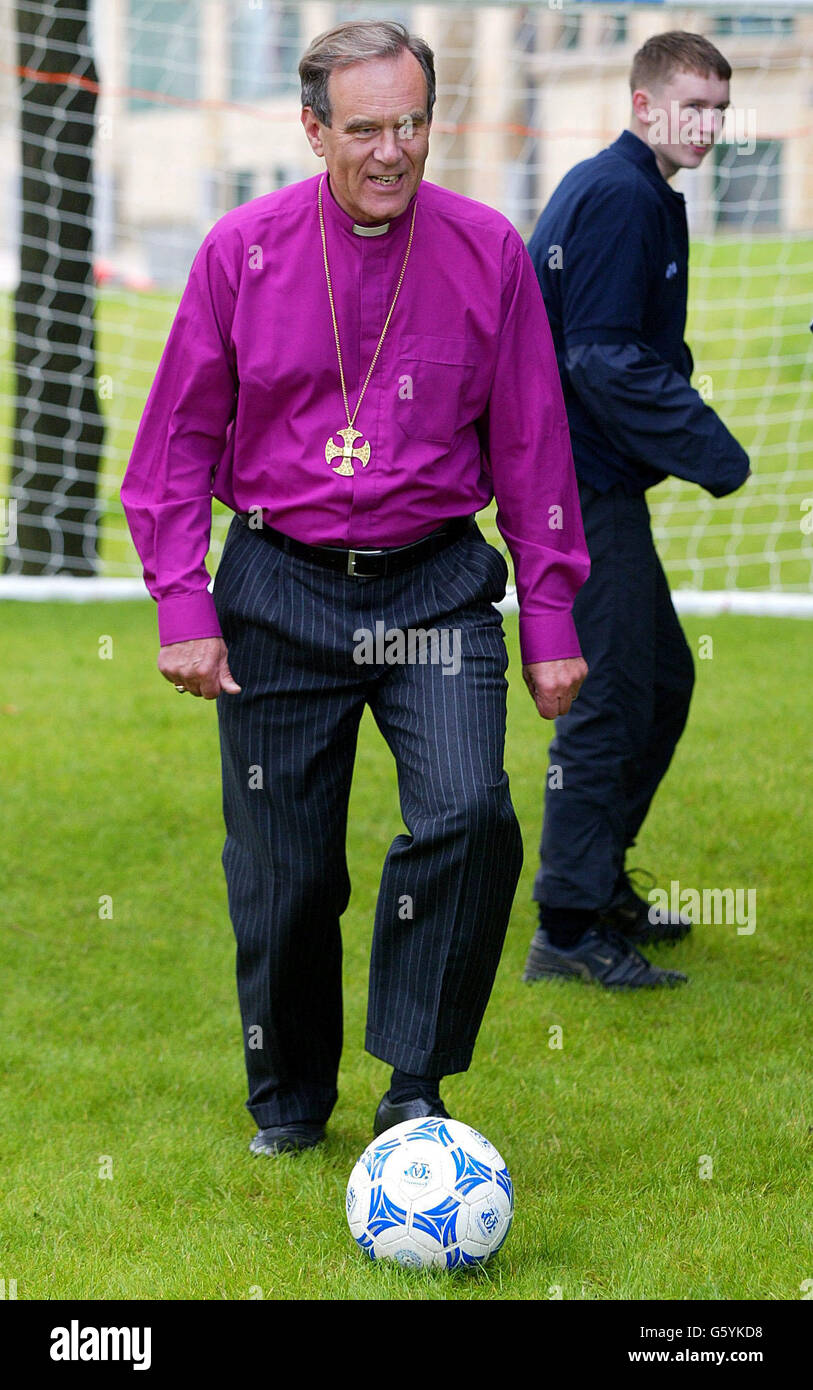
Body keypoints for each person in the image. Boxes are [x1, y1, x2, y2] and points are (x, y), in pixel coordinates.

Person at [121, 20, 589, 1155]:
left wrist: (552, 614)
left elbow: (532, 445)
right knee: (285, 875)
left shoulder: (489, 253)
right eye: (367, 127)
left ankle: (415, 1083)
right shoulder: (243, 250)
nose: (393, 150)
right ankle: (288, 1102)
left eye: (413, 124)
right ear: (314, 127)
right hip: (279, 587)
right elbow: (177, 441)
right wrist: (184, 607)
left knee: (472, 815)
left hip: (434, 588)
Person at [523, 31, 751, 991]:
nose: (703, 125)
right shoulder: (617, 194)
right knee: (611, 695)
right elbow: (599, 358)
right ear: (643, 102)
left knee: (660, 681)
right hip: (570, 488)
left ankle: (596, 887)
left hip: (597, 480)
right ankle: (567, 932)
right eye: (689, 105)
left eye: (717, 111)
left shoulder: (647, 190)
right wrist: (712, 452)